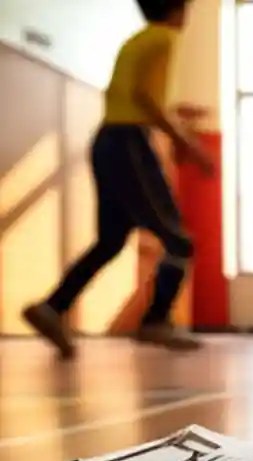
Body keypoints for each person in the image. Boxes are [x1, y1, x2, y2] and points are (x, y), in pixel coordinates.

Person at [22, 0, 214, 359]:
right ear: (178, 10)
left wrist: (175, 123)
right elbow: (144, 99)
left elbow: (135, 94)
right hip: (128, 142)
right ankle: (156, 320)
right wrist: (185, 141)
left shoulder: (138, 40)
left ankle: (53, 307)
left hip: (108, 140)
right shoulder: (164, 39)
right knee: (179, 241)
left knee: (111, 240)